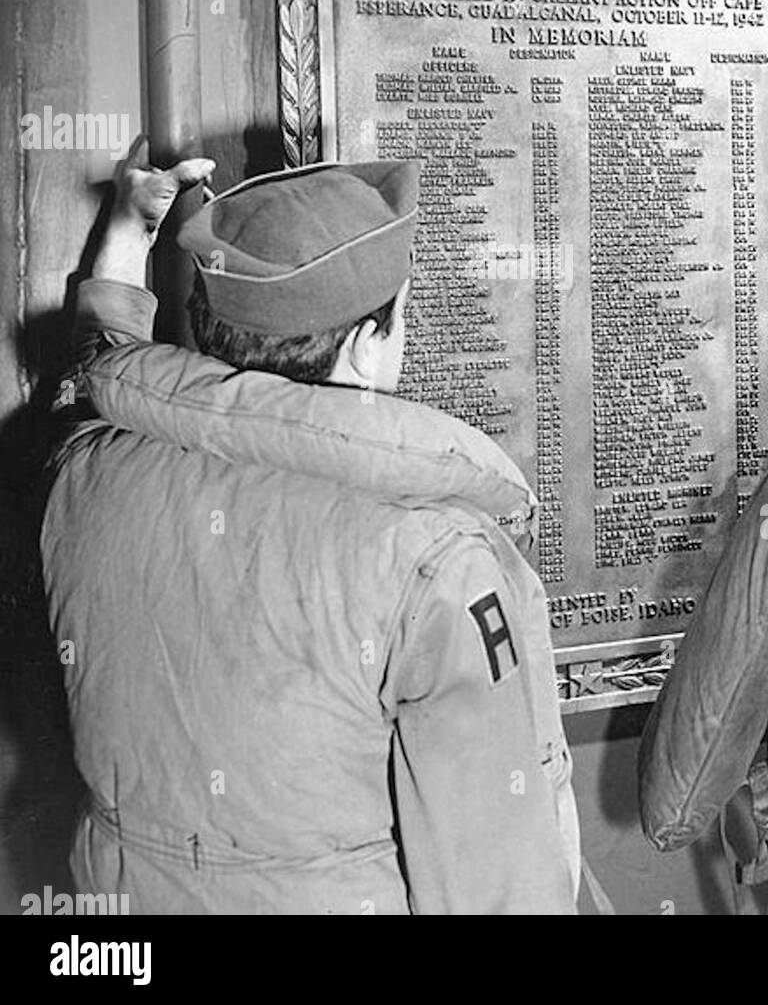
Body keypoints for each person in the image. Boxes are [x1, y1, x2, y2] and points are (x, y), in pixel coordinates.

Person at [40, 138, 579, 915]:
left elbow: (106, 373)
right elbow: (499, 887)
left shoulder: (85, 471)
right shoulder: (436, 561)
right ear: (366, 345)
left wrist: (126, 236)